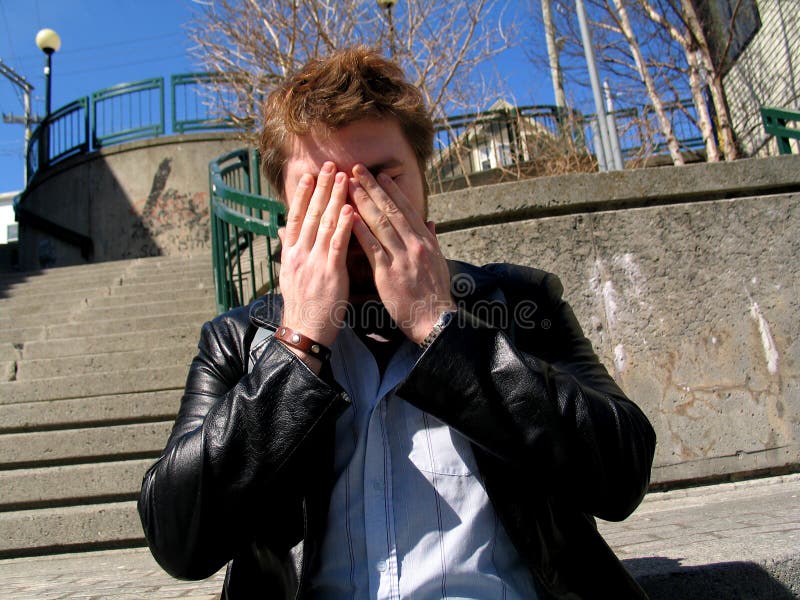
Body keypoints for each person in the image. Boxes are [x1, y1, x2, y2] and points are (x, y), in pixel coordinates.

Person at [139, 46, 656, 599]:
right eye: (322, 192)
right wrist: (298, 346)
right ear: (287, 217)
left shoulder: (519, 301)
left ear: (424, 186)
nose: (357, 212)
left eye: (381, 182)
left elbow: (621, 474)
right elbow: (179, 541)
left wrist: (442, 329)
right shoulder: (238, 342)